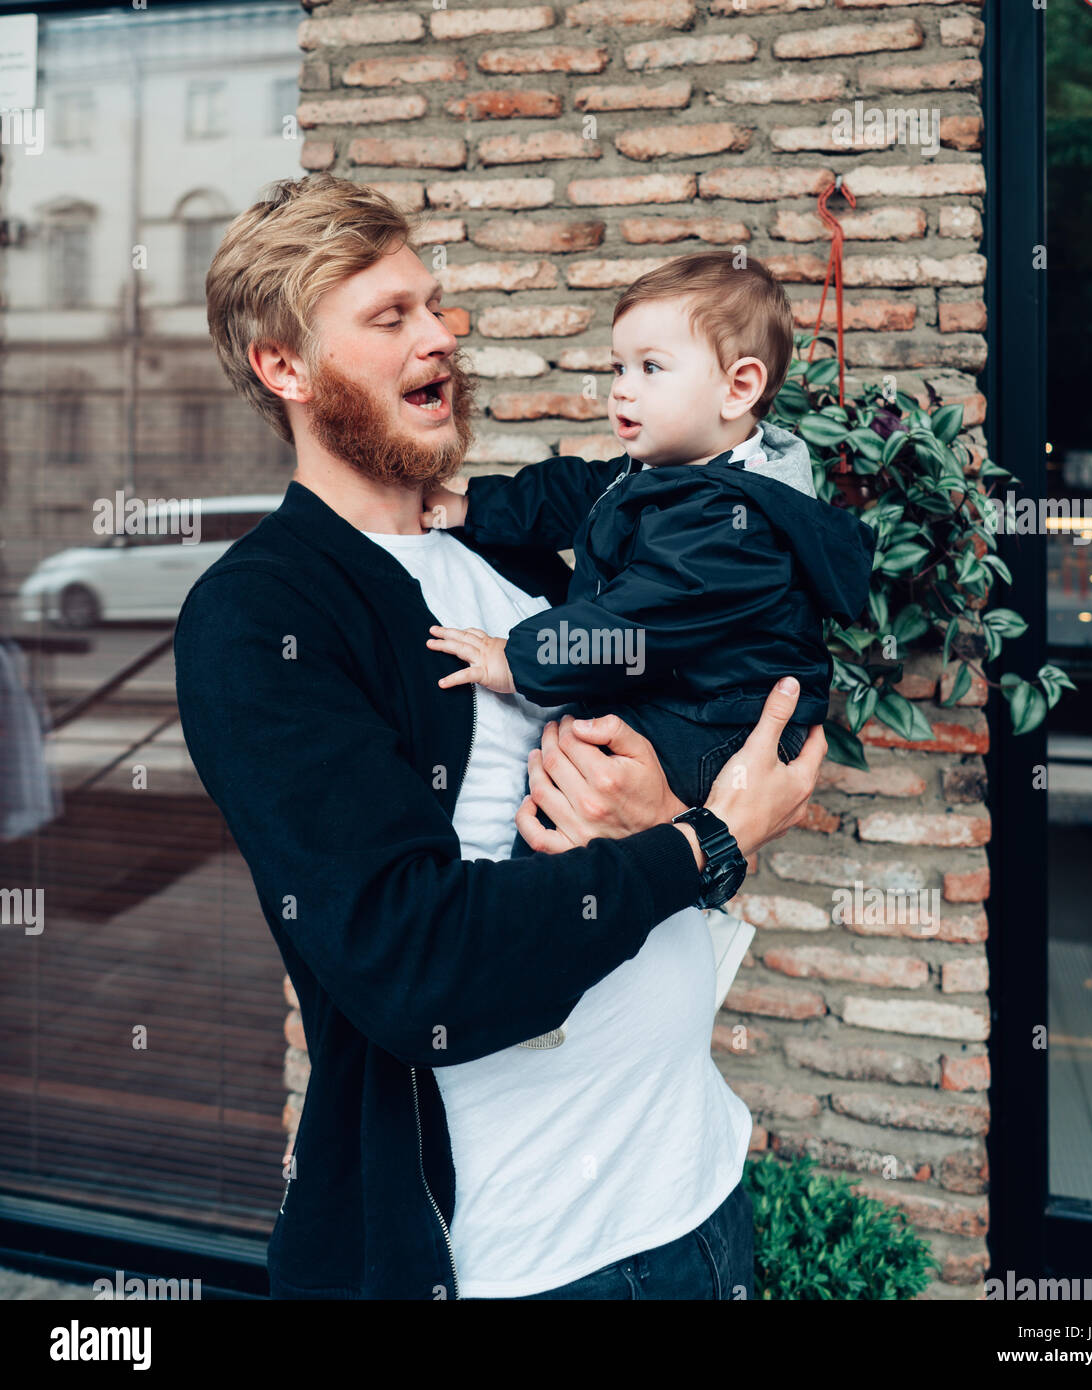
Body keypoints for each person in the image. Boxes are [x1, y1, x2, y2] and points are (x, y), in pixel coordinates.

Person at [175, 172, 827, 1301]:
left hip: (699, 1195)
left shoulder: (519, 562)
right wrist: (707, 845)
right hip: (531, 1260)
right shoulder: (262, 617)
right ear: (284, 369)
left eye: (434, 303)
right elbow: (418, 960)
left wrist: (679, 823)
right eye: (389, 319)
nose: (441, 335)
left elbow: (665, 775)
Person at [422, 251, 876, 812]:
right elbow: (575, 492)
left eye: (651, 368)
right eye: (618, 368)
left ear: (738, 388)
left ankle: (569, 885)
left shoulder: (731, 525)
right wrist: (471, 505)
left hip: (724, 728)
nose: (621, 389)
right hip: (689, 699)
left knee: (579, 785)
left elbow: (636, 621)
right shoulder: (666, 471)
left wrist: (515, 660)